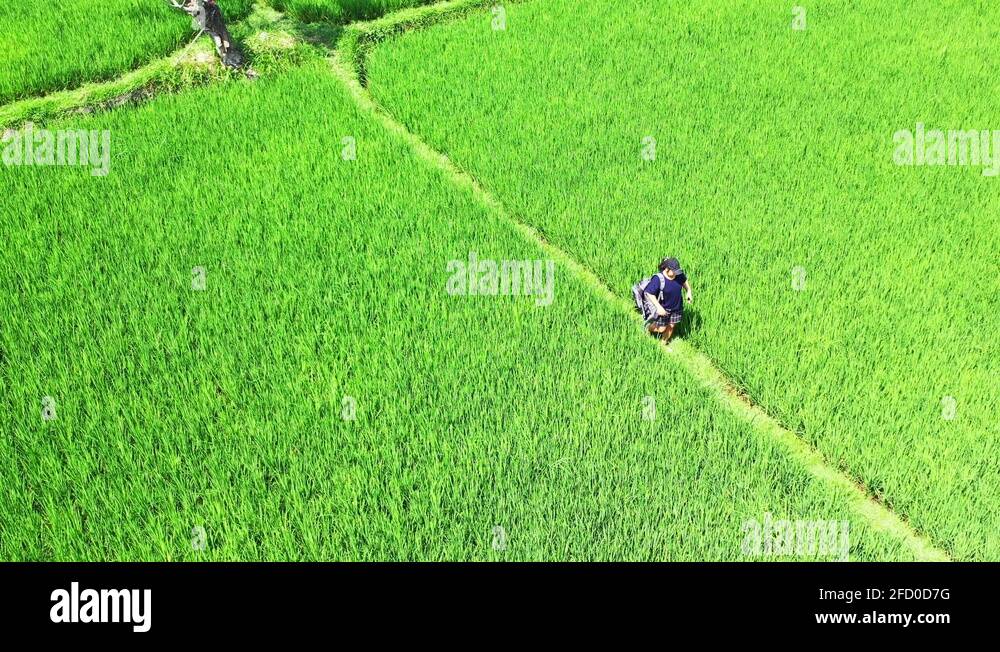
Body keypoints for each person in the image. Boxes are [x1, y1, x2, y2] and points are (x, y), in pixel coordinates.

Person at [639, 257, 693, 341]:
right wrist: (659, 307)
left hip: (677, 308)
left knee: (671, 326)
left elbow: (684, 281)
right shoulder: (658, 279)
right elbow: (649, 293)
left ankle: (663, 344)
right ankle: (648, 328)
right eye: (674, 271)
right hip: (664, 308)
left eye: (677, 271)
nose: (676, 274)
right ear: (667, 269)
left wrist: (688, 291)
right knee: (661, 329)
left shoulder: (679, 274)